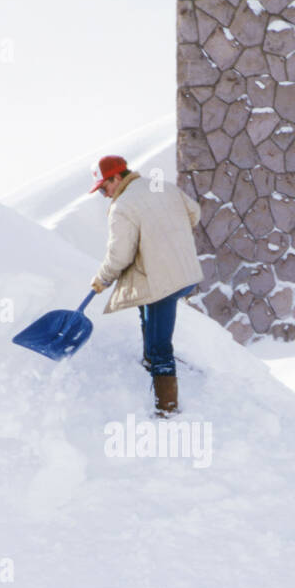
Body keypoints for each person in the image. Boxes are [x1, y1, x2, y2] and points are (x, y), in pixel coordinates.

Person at [89, 155, 203, 416]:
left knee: (160, 344)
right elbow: (194, 212)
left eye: (104, 188)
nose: (105, 195)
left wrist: (102, 279)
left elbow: (120, 255)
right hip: (185, 273)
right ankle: (150, 360)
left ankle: (167, 407)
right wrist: (168, 235)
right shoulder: (160, 185)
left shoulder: (123, 207)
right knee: (145, 308)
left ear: (116, 178)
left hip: (163, 282)